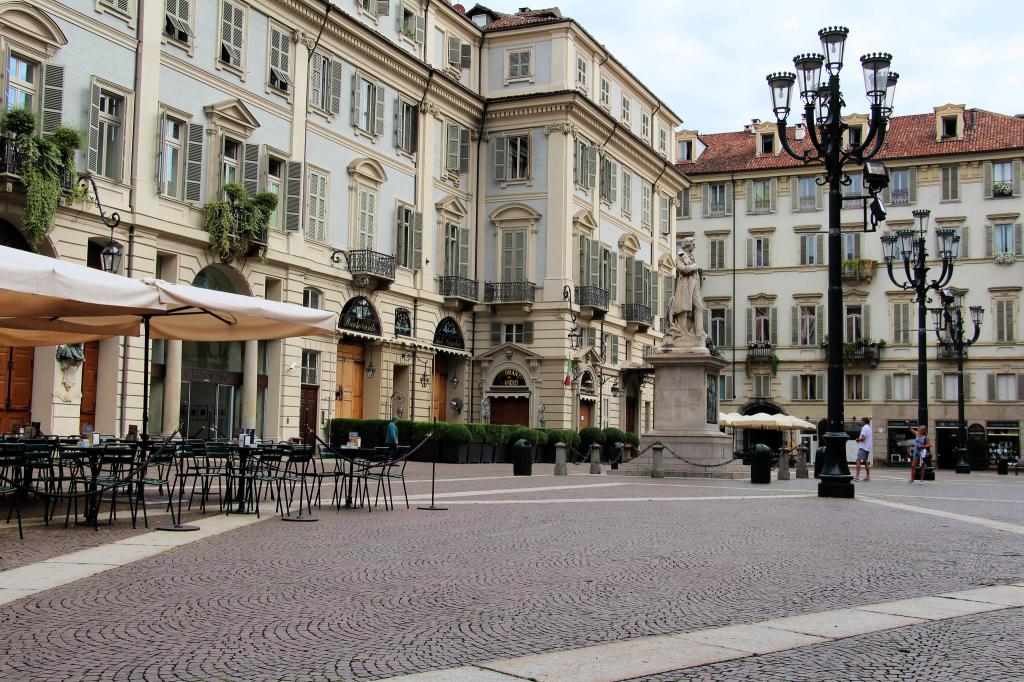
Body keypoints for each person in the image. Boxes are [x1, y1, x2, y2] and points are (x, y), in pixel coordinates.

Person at [669, 237, 705, 337]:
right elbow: (681, 269)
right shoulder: (680, 256)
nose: (695, 246)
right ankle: (683, 330)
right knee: (684, 307)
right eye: (693, 244)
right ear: (688, 245)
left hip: (694, 284)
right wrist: (693, 267)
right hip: (685, 284)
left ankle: (699, 331)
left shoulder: (691, 256)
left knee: (699, 307)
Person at [854, 416, 872, 481]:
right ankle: (868, 476)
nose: (860, 422)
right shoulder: (869, 428)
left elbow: (863, 438)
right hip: (868, 447)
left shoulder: (864, 428)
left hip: (863, 447)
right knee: (865, 461)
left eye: (861, 420)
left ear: (864, 421)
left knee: (858, 460)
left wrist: (858, 440)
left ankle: (857, 476)